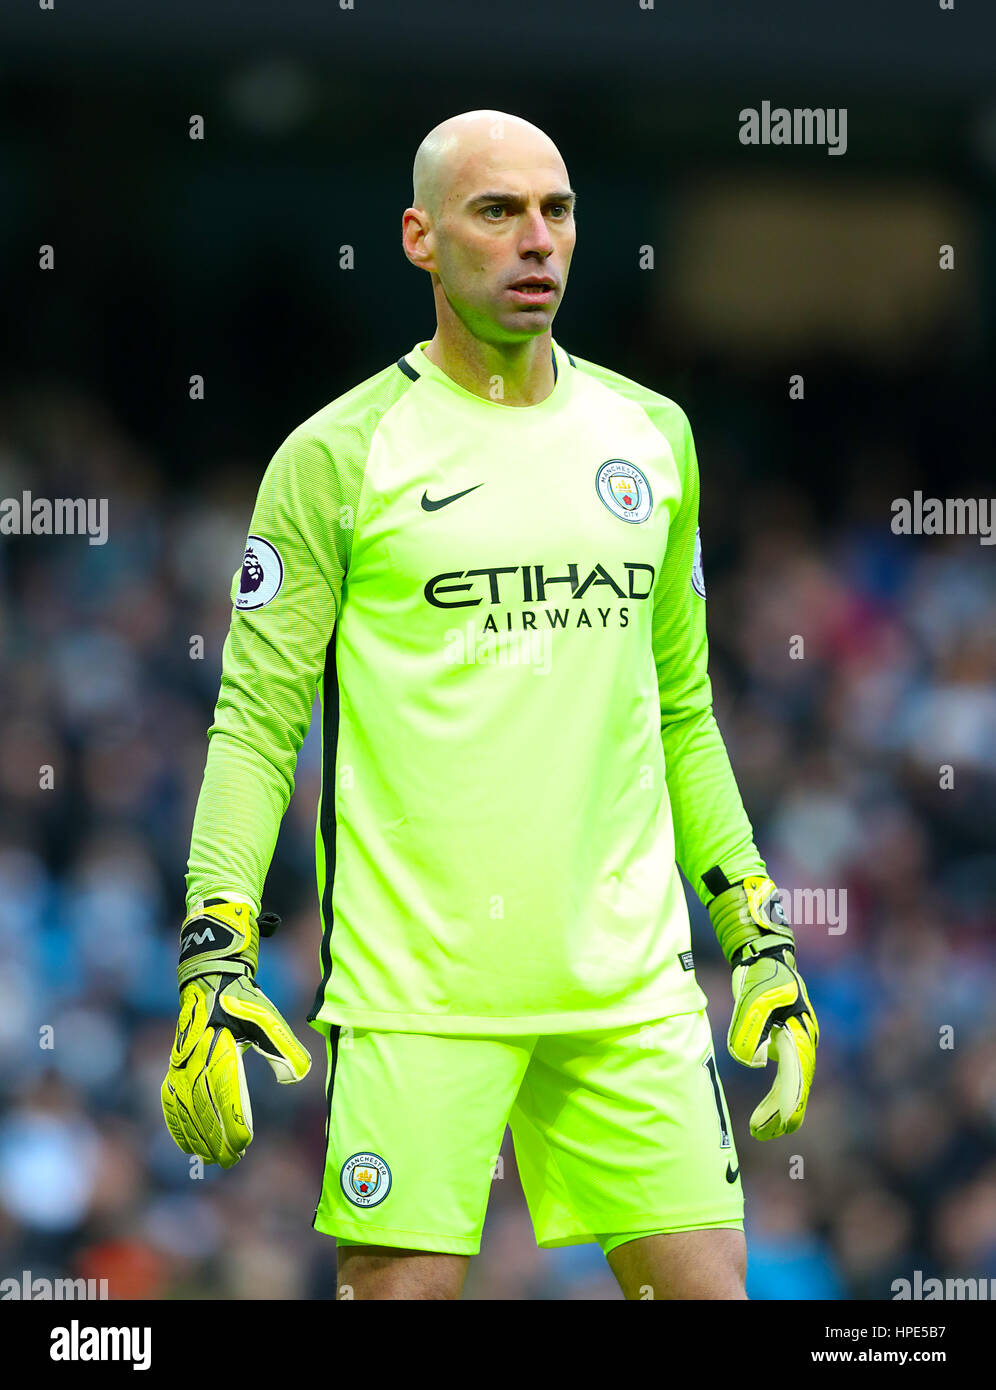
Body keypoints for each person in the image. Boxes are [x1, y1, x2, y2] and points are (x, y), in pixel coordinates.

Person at [161, 108, 818, 1301]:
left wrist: (757, 927)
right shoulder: (334, 456)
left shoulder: (652, 439)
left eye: (556, 212)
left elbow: (682, 710)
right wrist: (217, 942)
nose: (536, 242)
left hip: (626, 986)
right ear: (419, 237)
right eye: (497, 211)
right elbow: (256, 724)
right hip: (418, 990)